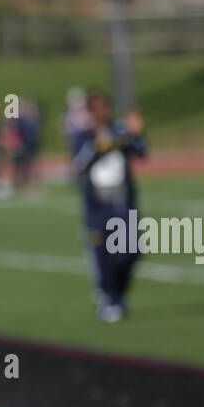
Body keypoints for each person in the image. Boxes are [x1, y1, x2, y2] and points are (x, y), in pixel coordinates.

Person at [72, 91, 146, 323]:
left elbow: (141, 151)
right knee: (102, 254)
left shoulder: (119, 131)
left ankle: (119, 292)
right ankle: (109, 298)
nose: (101, 113)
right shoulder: (83, 136)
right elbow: (80, 164)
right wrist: (99, 145)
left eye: (104, 107)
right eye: (95, 109)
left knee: (131, 250)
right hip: (97, 206)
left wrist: (134, 133)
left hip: (122, 202)